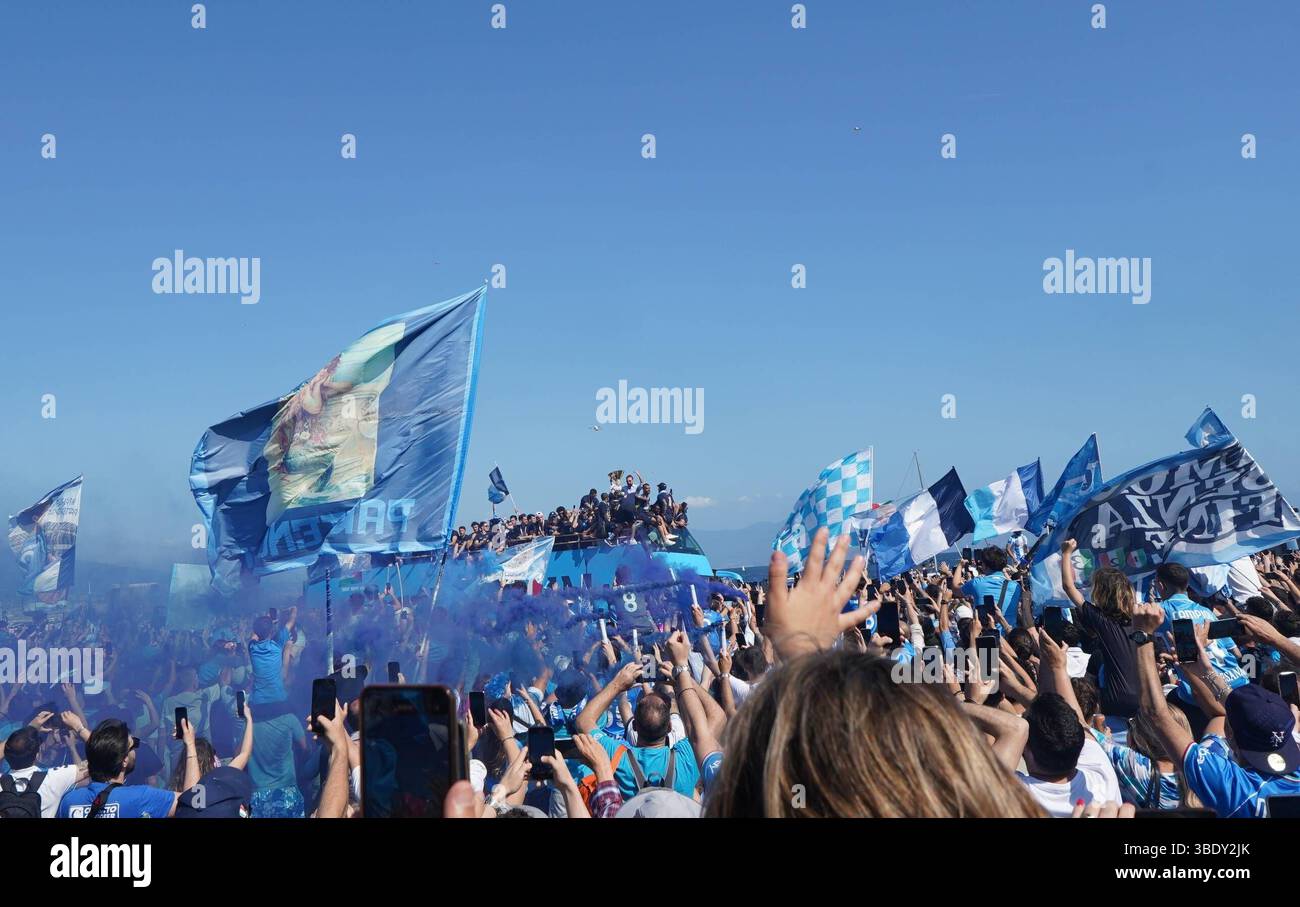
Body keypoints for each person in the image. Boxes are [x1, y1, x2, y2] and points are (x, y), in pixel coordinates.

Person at [1129, 600, 1300, 817]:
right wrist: (1203, 670)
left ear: (1229, 736)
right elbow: (1232, 706)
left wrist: (1142, 635)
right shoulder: (1292, 743)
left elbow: (1157, 714)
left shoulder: (1234, 789)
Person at [1059, 540, 1140, 740]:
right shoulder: (1140, 621)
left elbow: (1069, 587)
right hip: (1146, 702)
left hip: (1116, 701)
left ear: (1101, 594)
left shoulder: (1104, 621)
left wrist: (1066, 553)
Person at [57, 717, 199, 818]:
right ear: (124, 761)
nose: (135, 749)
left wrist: (80, 729)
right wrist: (190, 744)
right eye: (133, 745)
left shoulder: (69, 801)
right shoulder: (140, 797)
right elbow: (194, 803)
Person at [0, 711, 89, 818]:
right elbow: (106, 756)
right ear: (36, 755)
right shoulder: (54, 779)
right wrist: (80, 728)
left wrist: (29, 729)